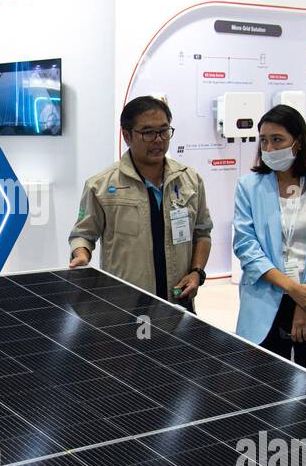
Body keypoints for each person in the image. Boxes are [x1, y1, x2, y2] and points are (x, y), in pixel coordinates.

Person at [232, 105, 306, 379]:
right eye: (263, 140)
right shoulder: (249, 187)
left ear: (297, 141)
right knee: (265, 393)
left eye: (277, 140)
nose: (269, 148)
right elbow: (247, 248)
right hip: (266, 299)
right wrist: (293, 290)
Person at [69, 96, 212, 311]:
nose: (158, 139)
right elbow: (83, 235)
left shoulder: (190, 180)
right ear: (127, 135)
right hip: (124, 306)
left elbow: (202, 233)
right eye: (148, 133)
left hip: (179, 302)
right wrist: (81, 255)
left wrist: (197, 272)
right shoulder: (100, 186)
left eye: (164, 131)